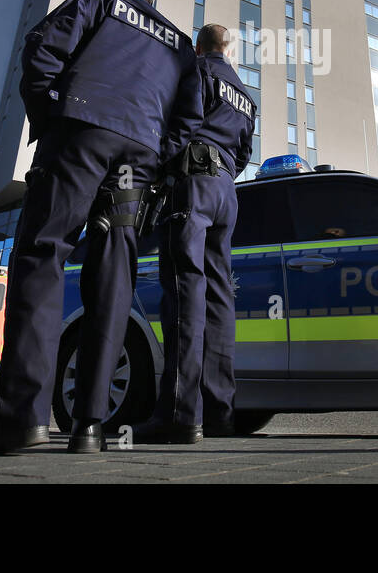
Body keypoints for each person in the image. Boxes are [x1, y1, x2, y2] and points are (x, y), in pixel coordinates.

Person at [0, 0, 200, 456]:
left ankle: (23, 420)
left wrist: (51, 117)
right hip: (139, 153)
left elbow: (41, 49)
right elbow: (189, 115)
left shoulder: (96, 3)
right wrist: (157, 155)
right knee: (115, 273)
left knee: (42, 256)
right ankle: (89, 426)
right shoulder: (180, 44)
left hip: (80, 130)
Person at [134, 25, 254, 444]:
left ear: (200, 46)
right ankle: (219, 415)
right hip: (226, 192)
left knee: (185, 291)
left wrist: (156, 167)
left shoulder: (197, 70)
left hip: (192, 185)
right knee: (220, 297)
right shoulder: (245, 95)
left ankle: (180, 417)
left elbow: (182, 124)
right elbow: (243, 154)